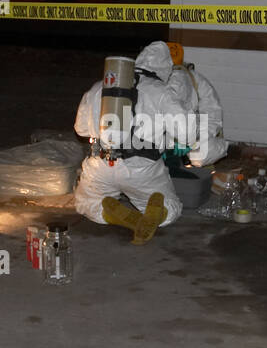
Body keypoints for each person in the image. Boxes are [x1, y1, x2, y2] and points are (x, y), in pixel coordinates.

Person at [74, 41, 191, 244]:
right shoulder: (161, 92)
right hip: (142, 170)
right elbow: (186, 133)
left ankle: (109, 214)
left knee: (86, 203)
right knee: (171, 208)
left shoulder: (99, 87)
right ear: (165, 68)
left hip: (100, 164)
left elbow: (80, 129)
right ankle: (158, 214)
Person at [166, 42, 229, 168]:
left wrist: (196, 139)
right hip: (157, 139)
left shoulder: (197, 81)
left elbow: (212, 114)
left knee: (203, 153)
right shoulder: (150, 82)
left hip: (192, 136)